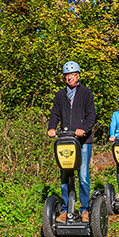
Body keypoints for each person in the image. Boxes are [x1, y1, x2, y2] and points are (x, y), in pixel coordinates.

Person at [47, 61, 96, 223]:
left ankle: (84, 209)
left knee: (82, 175)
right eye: (67, 75)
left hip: (83, 141)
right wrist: (52, 128)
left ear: (78, 76)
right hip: (66, 140)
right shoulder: (60, 95)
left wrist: (84, 129)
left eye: (72, 75)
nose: (69, 78)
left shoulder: (86, 93)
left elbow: (91, 115)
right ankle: (66, 209)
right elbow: (54, 114)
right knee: (65, 175)